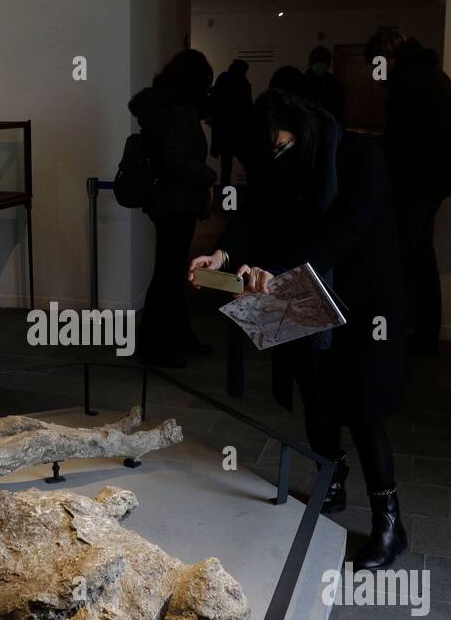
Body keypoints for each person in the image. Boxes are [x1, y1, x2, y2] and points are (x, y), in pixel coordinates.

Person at [187, 90, 409, 570]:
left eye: (280, 146)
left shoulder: (360, 155)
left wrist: (282, 268)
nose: (275, 157)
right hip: (303, 292)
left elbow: (346, 231)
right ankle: (331, 479)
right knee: (317, 393)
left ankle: (389, 521)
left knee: (362, 408)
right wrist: (222, 255)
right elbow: (254, 213)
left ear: (301, 128)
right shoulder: (281, 160)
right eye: (268, 152)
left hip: (363, 299)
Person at [365, 27, 451, 355]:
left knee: (403, 261)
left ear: (388, 57)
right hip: (433, 185)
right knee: (422, 258)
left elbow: (400, 143)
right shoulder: (434, 75)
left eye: (377, 65)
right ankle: (424, 334)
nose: (377, 75)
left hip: (412, 185)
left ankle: (395, 333)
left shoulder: (407, 83)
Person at [129, 49, 217, 368]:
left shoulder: (162, 108)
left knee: (170, 270)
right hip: (176, 202)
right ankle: (155, 347)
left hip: (163, 201)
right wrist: (210, 175)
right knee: (167, 273)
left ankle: (178, 337)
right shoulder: (181, 112)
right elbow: (177, 159)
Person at [209, 59, 252, 191]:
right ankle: (249, 199)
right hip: (239, 133)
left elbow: (214, 99)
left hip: (224, 133)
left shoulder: (224, 79)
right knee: (249, 165)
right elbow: (248, 109)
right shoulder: (244, 84)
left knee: (226, 170)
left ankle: (227, 204)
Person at [302, 45, 345, 123]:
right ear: (311, 62)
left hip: (328, 124)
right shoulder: (302, 81)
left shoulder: (333, 83)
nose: (321, 64)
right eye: (317, 61)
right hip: (307, 124)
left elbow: (339, 107)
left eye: (324, 61)